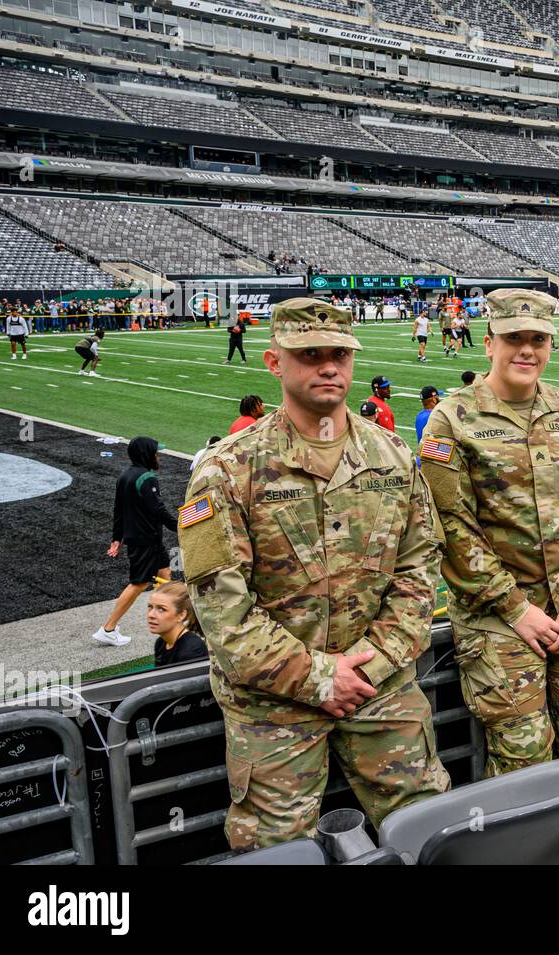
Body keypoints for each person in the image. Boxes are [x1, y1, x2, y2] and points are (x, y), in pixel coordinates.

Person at [178, 297, 450, 851]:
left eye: (339, 354)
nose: (328, 366)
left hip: (380, 683)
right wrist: (319, 677)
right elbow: (220, 604)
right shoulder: (228, 468)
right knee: (278, 851)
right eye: (308, 354)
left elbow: (420, 566)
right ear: (274, 362)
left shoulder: (393, 455)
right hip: (273, 700)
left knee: (426, 827)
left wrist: (373, 659)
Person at [420, 289, 559, 777]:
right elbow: (452, 529)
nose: (526, 350)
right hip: (500, 620)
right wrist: (516, 608)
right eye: (514, 338)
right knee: (523, 763)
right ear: (489, 343)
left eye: (537, 339)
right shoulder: (451, 420)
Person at [97, 436, 178, 647]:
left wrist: (116, 538)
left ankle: (172, 619)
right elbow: (157, 509)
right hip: (145, 540)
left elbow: (118, 510)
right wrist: (179, 526)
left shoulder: (124, 475)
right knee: (139, 583)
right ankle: (108, 628)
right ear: (146, 454)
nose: (157, 455)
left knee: (164, 574)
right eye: (155, 451)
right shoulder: (146, 478)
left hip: (145, 539)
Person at [148, 581, 210, 668]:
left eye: (161, 609)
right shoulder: (161, 643)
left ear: (181, 615)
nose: (151, 615)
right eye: (150, 607)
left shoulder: (191, 651)